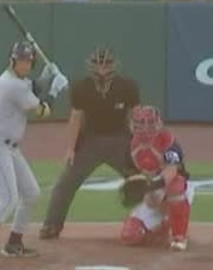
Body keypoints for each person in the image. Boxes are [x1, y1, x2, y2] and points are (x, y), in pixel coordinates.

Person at [0, 41, 68, 263]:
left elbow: (32, 87)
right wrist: (55, 89)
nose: (25, 65)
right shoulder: (12, 85)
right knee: (8, 198)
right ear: (13, 60)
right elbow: (43, 110)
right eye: (22, 61)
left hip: (9, 147)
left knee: (31, 193)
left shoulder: (15, 80)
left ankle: (14, 243)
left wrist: (46, 76)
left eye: (29, 61)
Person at [40, 47, 142, 241]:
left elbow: (135, 116)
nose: (102, 68)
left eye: (106, 64)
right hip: (90, 142)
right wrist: (70, 149)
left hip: (120, 140)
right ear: (91, 65)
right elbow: (76, 118)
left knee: (141, 181)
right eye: (98, 64)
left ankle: (153, 224)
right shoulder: (82, 87)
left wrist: (138, 146)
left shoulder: (127, 86)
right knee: (65, 184)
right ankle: (52, 225)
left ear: (114, 65)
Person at [119, 105, 193, 251]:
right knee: (130, 235)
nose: (146, 128)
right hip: (151, 193)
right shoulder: (129, 146)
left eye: (150, 123)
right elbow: (135, 179)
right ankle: (163, 225)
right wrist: (146, 192)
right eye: (141, 124)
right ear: (133, 125)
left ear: (158, 123)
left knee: (175, 186)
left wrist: (152, 186)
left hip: (176, 187)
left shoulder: (168, 141)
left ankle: (179, 237)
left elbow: (171, 172)